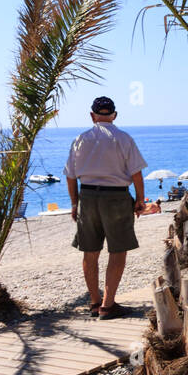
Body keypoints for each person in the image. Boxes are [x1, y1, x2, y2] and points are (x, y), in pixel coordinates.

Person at [64, 96, 147, 319]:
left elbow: (71, 177)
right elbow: (136, 174)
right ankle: (108, 306)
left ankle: (94, 302)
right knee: (117, 251)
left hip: (88, 197)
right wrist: (140, 200)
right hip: (117, 198)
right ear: (114, 115)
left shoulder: (80, 139)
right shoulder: (123, 138)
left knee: (89, 252)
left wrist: (74, 203)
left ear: (92, 116)